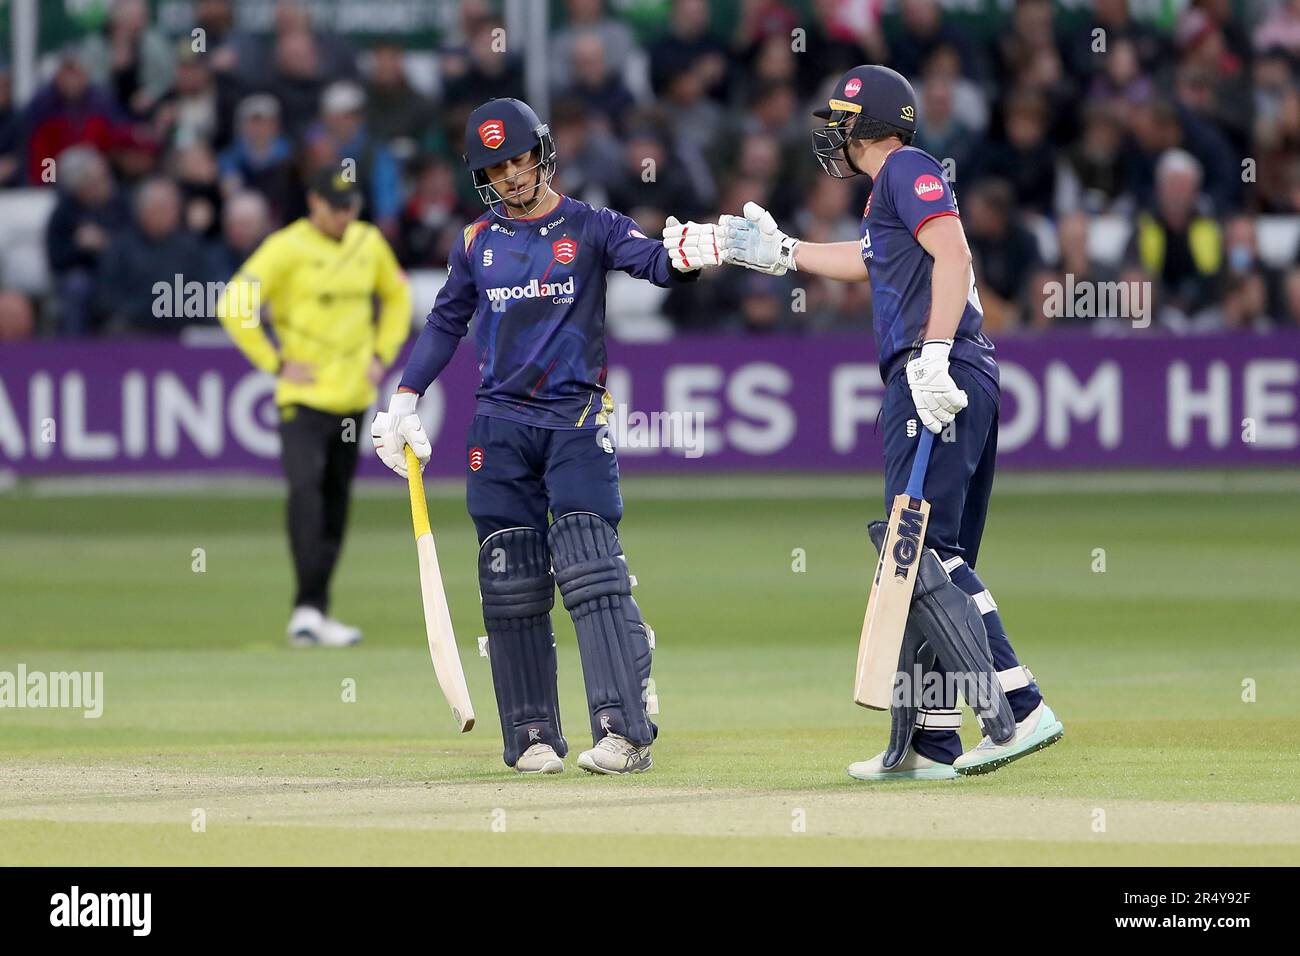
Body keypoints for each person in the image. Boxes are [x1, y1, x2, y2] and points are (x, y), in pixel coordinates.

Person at [710, 65, 1064, 781]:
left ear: (865, 122)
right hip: (951, 370)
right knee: (933, 560)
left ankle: (1020, 705)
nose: (830, 135)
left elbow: (956, 255)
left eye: (840, 120)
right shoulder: (889, 193)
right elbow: (872, 260)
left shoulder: (906, 167)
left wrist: (931, 358)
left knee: (920, 553)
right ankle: (931, 741)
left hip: (936, 371)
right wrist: (787, 255)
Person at [370, 98, 713, 776]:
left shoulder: (589, 226)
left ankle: (623, 730)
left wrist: (688, 254)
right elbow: (445, 323)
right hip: (498, 428)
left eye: (519, 160)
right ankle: (531, 734)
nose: (511, 177)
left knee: (590, 567)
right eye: (495, 169)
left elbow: (652, 265)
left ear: (543, 153)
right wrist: (405, 399)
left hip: (574, 421)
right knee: (511, 579)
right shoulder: (474, 242)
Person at [216, 166, 411, 647]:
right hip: (302, 399)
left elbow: (398, 296)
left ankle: (315, 610)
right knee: (305, 491)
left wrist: (382, 355)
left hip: (352, 399)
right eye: (335, 207)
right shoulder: (287, 246)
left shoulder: (368, 243)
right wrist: (276, 362)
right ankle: (306, 610)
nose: (344, 216)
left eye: (351, 207)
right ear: (314, 203)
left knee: (335, 502)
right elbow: (235, 303)